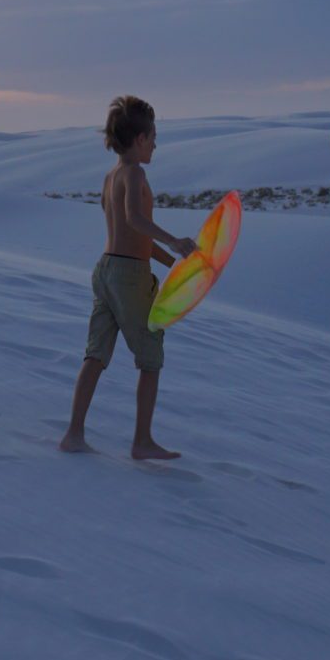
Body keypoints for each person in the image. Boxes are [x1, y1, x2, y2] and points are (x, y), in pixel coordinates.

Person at [62, 95, 199, 460]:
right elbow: (136, 221)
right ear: (139, 139)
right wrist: (175, 240)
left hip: (106, 270)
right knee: (150, 357)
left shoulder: (110, 177)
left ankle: (73, 433)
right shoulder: (136, 173)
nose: (156, 143)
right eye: (153, 136)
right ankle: (142, 442)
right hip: (128, 277)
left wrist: (172, 262)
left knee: (95, 355)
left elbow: (128, 234)